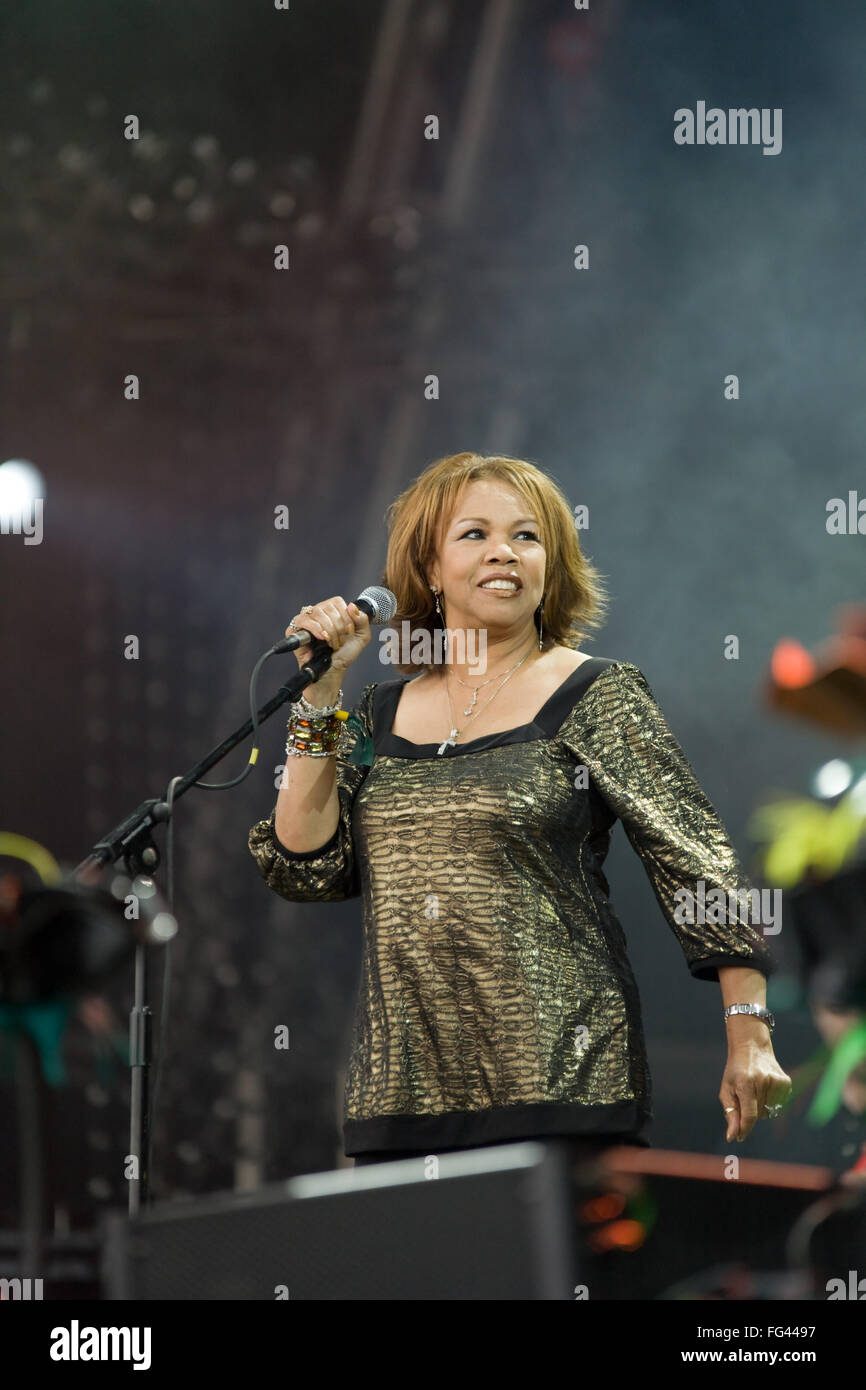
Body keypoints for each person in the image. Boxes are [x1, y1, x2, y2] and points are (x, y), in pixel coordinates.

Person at [248, 451, 792, 1167]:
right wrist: (321, 696)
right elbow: (304, 861)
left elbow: (696, 862)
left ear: (551, 564)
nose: (504, 551)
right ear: (430, 568)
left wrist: (749, 1029)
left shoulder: (596, 692)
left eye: (527, 536)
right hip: (403, 1096)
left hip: (562, 1079)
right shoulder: (377, 714)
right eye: (474, 534)